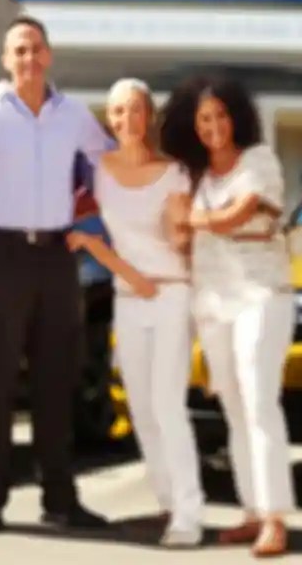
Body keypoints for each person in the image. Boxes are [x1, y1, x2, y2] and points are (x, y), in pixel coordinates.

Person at [0, 15, 113, 535]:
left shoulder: (75, 115)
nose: (28, 58)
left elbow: (109, 164)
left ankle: (60, 499)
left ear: (49, 55)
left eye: (36, 48)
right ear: (5, 59)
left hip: (58, 258)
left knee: (56, 381)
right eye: (18, 50)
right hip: (1, 257)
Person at [65, 78, 205, 548]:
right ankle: (168, 504)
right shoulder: (98, 171)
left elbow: (177, 246)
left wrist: (93, 246)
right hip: (128, 301)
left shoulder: (174, 174)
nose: (127, 120)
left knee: (167, 406)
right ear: (110, 118)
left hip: (168, 293)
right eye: (118, 111)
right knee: (142, 410)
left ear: (150, 117)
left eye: (136, 110)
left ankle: (189, 514)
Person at [160, 76, 295, 558]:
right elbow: (181, 236)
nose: (213, 126)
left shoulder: (259, 159)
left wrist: (193, 220)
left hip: (261, 295)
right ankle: (253, 511)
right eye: (204, 119)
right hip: (214, 301)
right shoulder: (197, 176)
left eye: (220, 115)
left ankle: (276, 518)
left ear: (236, 116)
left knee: (260, 402)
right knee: (235, 410)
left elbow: (238, 214)